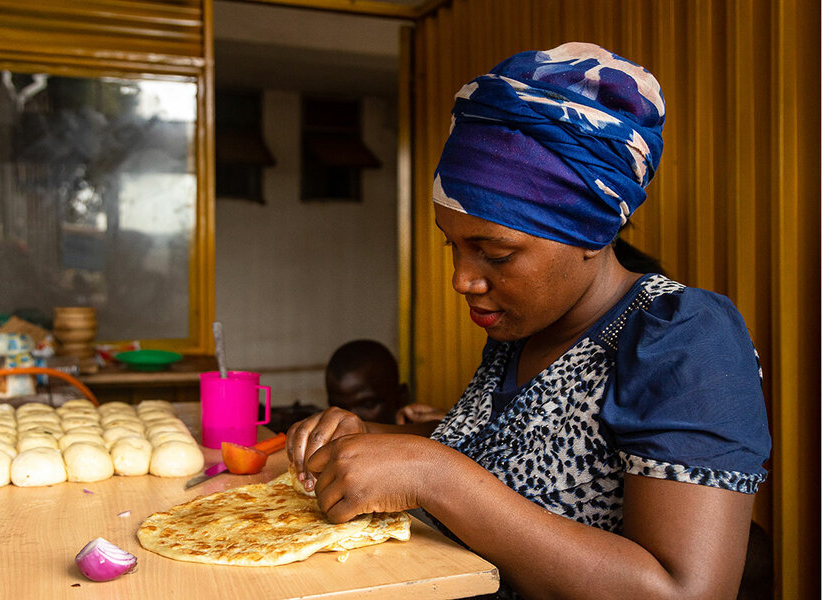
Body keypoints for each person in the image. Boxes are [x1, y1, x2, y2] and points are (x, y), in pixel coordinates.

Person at [287, 42, 771, 600]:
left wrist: (434, 474)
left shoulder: (683, 337)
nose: (462, 280)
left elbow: (684, 592)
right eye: (452, 246)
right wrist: (371, 440)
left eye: (495, 254)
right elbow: (501, 456)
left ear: (591, 231)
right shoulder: (524, 326)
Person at [324, 339, 408, 424]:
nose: (350, 420)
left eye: (368, 405)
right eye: (339, 409)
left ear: (400, 398)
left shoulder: (415, 429)